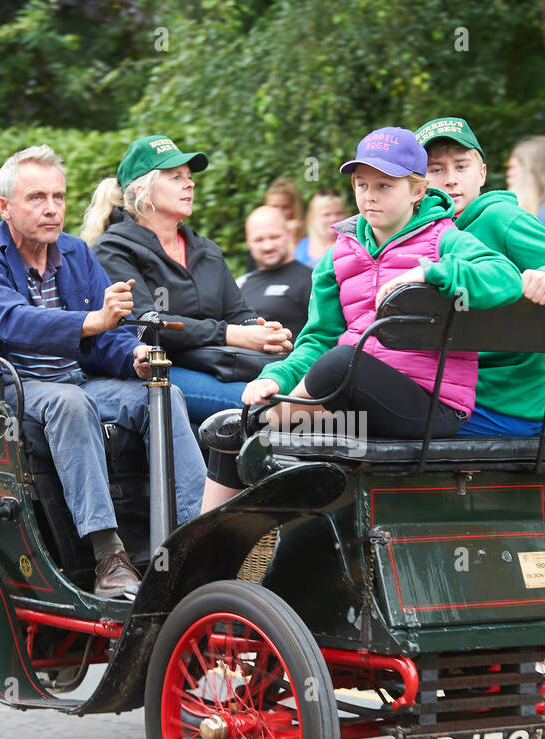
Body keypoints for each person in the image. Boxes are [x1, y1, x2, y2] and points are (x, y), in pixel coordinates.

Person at [199, 127, 524, 506]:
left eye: (384, 186)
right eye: (361, 185)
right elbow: (317, 340)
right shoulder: (339, 254)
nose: (370, 197)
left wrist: (428, 272)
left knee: (342, 362)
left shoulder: (444, 239)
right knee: (228, 436)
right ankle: (205, 557)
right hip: (358, 412)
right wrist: (276, 376)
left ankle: (270, 418)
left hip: (431, 411)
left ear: (417, 191)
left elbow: (505, 278)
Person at [0, 144, 205, 594]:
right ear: (4, 207)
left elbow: (107, 338)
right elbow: (13, 321)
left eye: (59, 197)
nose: (52, 209)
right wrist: (94, 321)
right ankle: (109, 556)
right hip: (12, 385)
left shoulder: (76, 253)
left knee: (162, 395)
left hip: (78, 380)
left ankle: (193, 541)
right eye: (36, 198)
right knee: (70, 404)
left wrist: (133, 356)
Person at [416, 116, 545, 437]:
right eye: (436, 170)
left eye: (461, 167)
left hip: (502, 399)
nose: (450, 180)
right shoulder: (422, 232)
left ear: (482, 173)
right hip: (446, 387)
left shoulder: (501, 218)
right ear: (418, 183)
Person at [82, 135, 294, 425]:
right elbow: (147, 324)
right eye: (176, 177)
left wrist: (263, 332)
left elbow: (239, 313)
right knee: (265, 407)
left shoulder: (206, 249)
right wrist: (231, 334)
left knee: (302, 391)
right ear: (144, 190)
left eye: (189, 177)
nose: (190, 184)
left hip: (218, 365)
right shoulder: (113, 249)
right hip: (159, 369)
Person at [237, 205, 313, 338]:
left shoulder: (311, 280)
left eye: (274, 237)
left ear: (289, 235)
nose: (268, 246)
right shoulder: (241, 283)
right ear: (248, 242)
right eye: (259, 240)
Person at [294, 189, 347, 267]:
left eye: (339, 213)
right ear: (312, 217)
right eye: (326, 214)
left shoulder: (353, 244)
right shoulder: (301, 246)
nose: (333, 219)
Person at [265, 177, 306, 245]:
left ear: (294, 208)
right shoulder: (260, 236)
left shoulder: (309, 234)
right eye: (274, 207)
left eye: (285, 207)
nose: (279, 212)